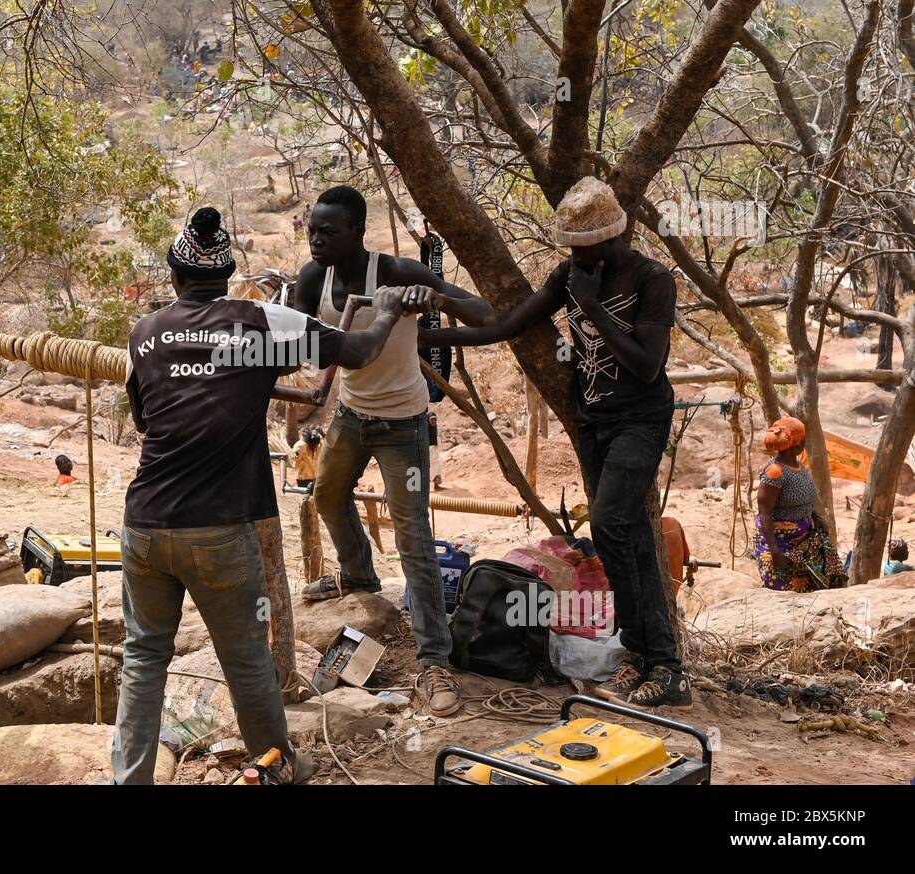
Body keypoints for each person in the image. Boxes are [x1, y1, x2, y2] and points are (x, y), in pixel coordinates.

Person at [114, 206, 417, 784]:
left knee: (143, 657)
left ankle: (129, 780)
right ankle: (278, 768)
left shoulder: (145, 333)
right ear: (226, 276)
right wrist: (383, 312)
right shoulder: (259, 321)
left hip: (145, 525)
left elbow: (147, 422)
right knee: (247, 657)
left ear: (175, 280)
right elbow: (355, 354)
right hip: (220, 529)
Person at [421, 177, 691, 709]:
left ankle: (666, 665)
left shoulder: (652, 280)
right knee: (627, 535)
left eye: (584, 247)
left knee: (613, 523)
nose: (576, 256)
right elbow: (508, 327)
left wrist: (589, 308)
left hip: (641, 418)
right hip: (594, 422)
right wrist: (431, 337)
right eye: (571, 248)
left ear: (614, 237)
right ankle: (649, 659)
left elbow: (647, 363)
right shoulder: (570, 275)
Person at [292, 185, 495, 718]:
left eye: (328, 232)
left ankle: (434, 664)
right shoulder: (316, 278)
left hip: (403, 424)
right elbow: (294, 339)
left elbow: (483, 312)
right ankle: (358, 574)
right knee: (327, 494)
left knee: (414, 539)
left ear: (358, 232)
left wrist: (437, 299)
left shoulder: (402, 271)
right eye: (312, 229)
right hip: (351, 415)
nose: (316, 240)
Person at [753, 416, 848, 592]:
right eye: (803, 440)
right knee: (787, 594)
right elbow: (764, 513)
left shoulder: (800, 468)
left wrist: (816, 517)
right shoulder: (775, 472)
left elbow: (806, 500)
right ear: (797, 445)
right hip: (781, 547)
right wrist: (775, 553)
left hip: (804, 543)